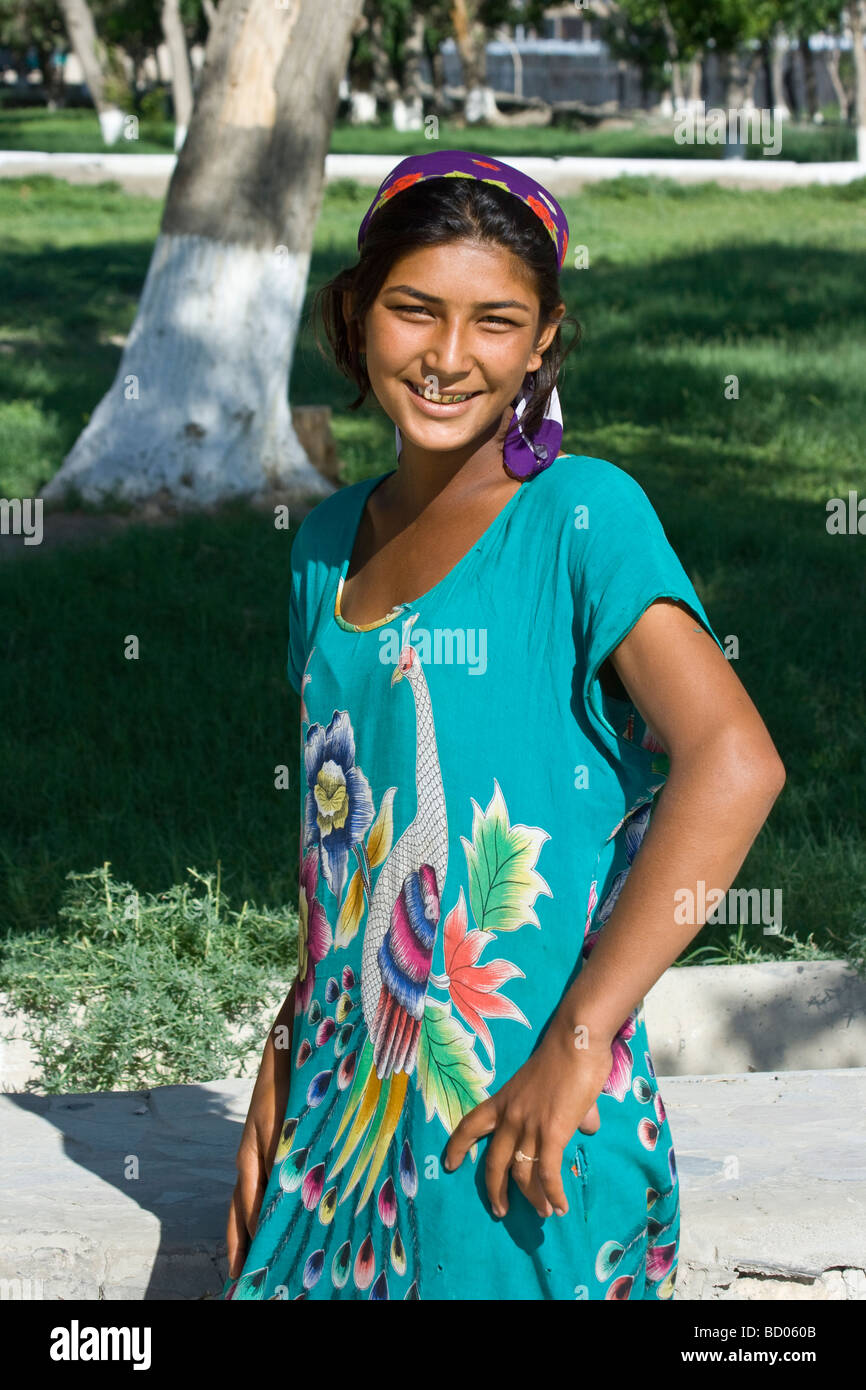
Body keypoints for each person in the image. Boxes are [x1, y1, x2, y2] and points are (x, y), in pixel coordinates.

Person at [221, 150, 785, 1301]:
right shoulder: (325, 545)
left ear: (542, 342)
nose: (446, 354)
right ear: (353, 313)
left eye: (494, 321)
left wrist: (579, 1040)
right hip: (344, 1128)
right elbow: (342, 847)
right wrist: (286, 1049)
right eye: (413, 309)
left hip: (520, 1129)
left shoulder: (582, 517)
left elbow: (735, 760)